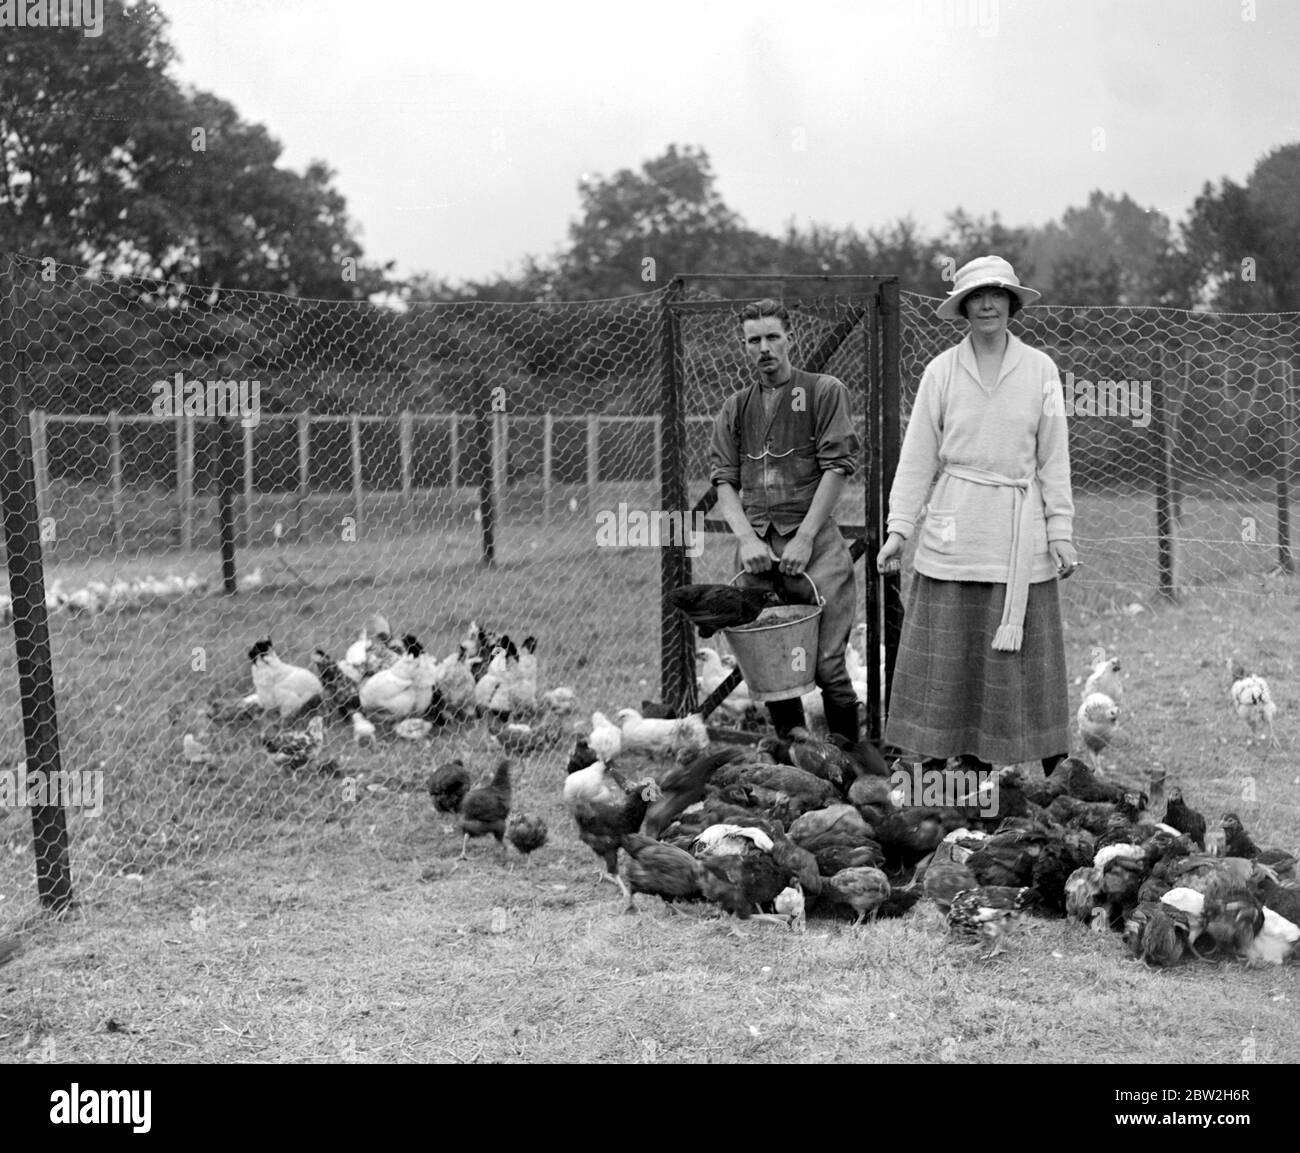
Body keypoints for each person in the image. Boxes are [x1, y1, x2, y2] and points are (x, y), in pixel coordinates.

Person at [875, 255, 1078, 777]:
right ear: (963, 306)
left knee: (1012, 660)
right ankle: (946, 768)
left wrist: (1061, 532)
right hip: (955, 525)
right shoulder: (941, 370)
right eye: (977, 295)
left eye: (998, 294)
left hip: (1017, 530)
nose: (988, 303)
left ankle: (1015, 766)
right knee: (950, 655)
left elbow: (1054, 457)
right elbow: (918, 454)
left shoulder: (1041, 370)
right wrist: (900, 529)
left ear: (1012, 304)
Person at [709, 298, 862, 743]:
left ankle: (849, 767)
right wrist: (747, 541)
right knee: (771, 662)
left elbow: (838, 468)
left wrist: (805, 538)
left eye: (772, 337)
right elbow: (724, 481)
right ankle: (798, 765)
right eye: (753, 340)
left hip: (816, 552)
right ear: (743, 347)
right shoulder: (735, 408)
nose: (764, 348)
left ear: (789, 339)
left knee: (829, 666)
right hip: (758, 555)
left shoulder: (823, 392)